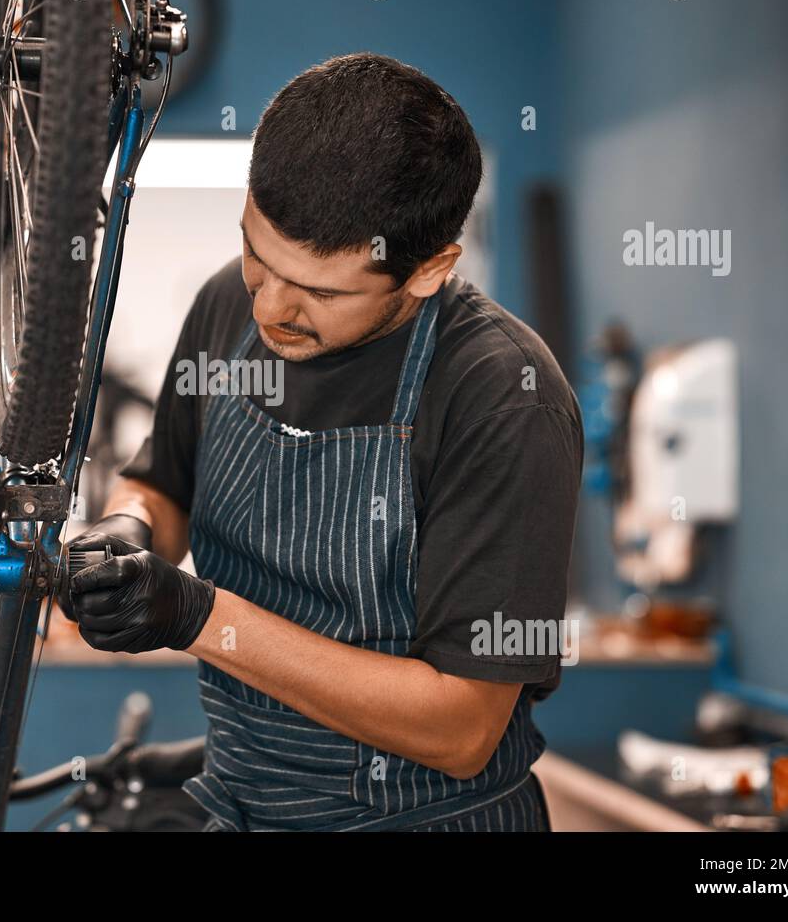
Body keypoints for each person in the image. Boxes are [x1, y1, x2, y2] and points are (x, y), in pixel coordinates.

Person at [63, 52, 583, 831]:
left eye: (322, 292)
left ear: (429, 269)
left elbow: (461, 727)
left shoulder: (501, 395)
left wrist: (201, 617)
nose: (272, 309)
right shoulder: (224, 310)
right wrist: (126, 530)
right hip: (244, 806)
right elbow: (161, 482)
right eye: (257, 256)